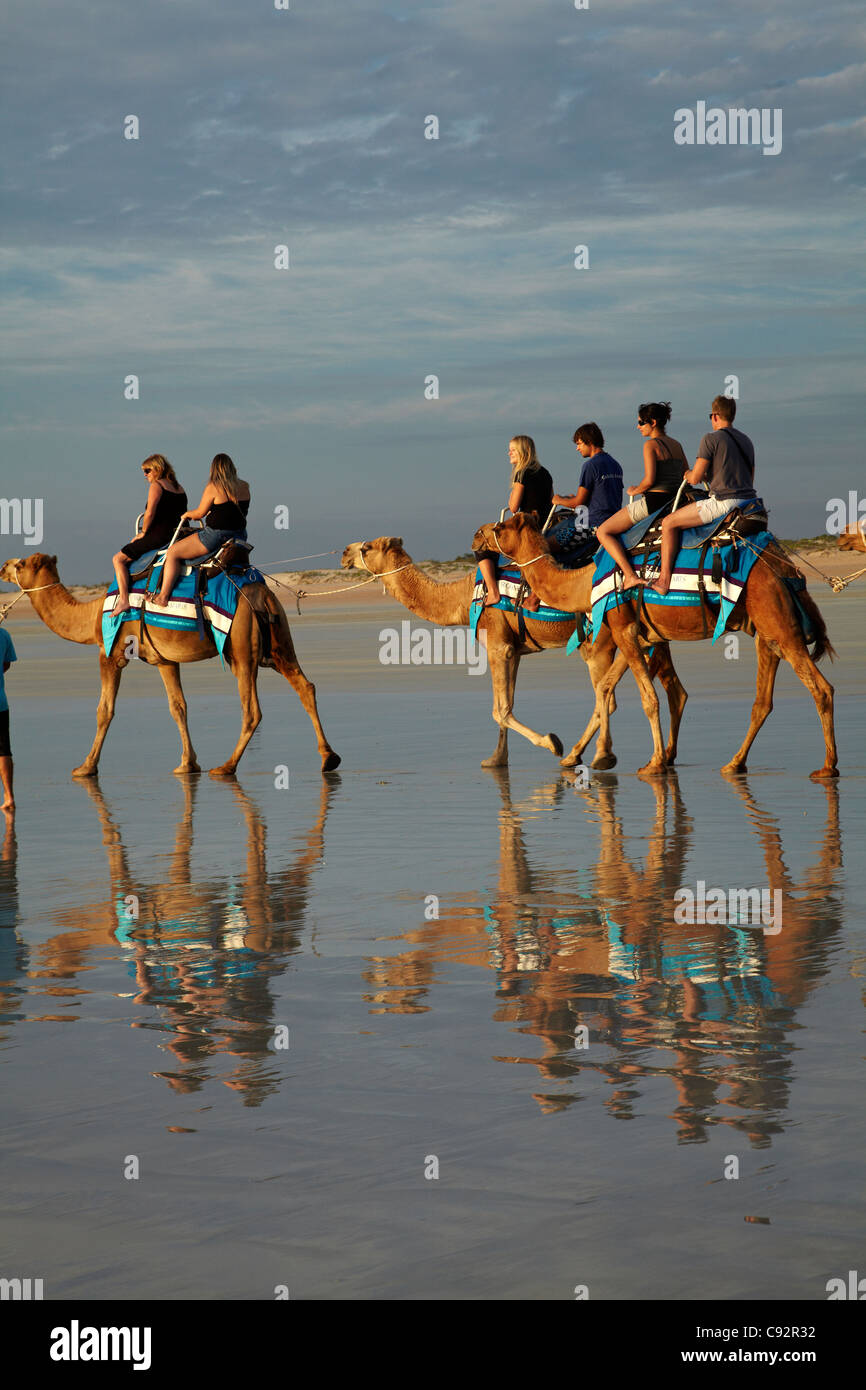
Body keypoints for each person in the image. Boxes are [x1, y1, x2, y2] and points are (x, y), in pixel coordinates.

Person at [650, 397, 757, 595]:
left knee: (668, 523)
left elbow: (696, 477)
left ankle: (664, 580)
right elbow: (748, 478)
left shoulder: (711, 438)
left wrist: (689, 474)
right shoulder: (746, 441)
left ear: (715, 416)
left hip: (724, 503)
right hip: (750, 503)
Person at [595, 402, 688, 588]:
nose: (638, 426)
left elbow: (649, 480)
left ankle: (629, 576)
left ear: (653, 422)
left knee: (603, 531)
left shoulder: (650, 445)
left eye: (641, 422)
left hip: (654, 502)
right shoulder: (677, 444)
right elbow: (686, 473)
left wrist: (635, 490)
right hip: (676, 502)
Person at [152, 453, 251, 607]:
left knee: (172, 553)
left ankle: (163, 596)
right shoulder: (244, 486)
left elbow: (200, 513)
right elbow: (238, 512)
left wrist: (187, 514)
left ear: (214, 469)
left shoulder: (213, 487)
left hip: (216, 536)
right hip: (239, 536)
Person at [473, 436, 553, 608]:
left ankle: (493, 593)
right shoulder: (545, 473)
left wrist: (513, 490)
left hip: (525, 528)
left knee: (481, 544)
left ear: (523, 452)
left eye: (513, 450)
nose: (509, 453)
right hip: (544, 525)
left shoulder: (522, 473)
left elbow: (514, 506)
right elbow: (551, 499)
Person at [111, 455, 188, 615]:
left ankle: (124, 600)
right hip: (180, 534)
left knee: (118, 559)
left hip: (161, 535)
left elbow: (150, 512)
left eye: (147, 470)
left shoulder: (157, 485)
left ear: (157, 469)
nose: (145, 475)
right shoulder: (179, 487)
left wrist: (143, 533)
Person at [547, 423, 623, 557]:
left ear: (589, 441)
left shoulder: (590, 465)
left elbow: (578, 502)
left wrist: (559, 500)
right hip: (613, 521)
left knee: (545, 544)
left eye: (579, 443)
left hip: (592, 526)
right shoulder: (615, 464)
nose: (577, 448)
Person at [0, 623, 17, 814]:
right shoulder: (4, 634)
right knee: (4, 750)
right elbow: (6, 664)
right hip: (1, 702)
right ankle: (9, 795)